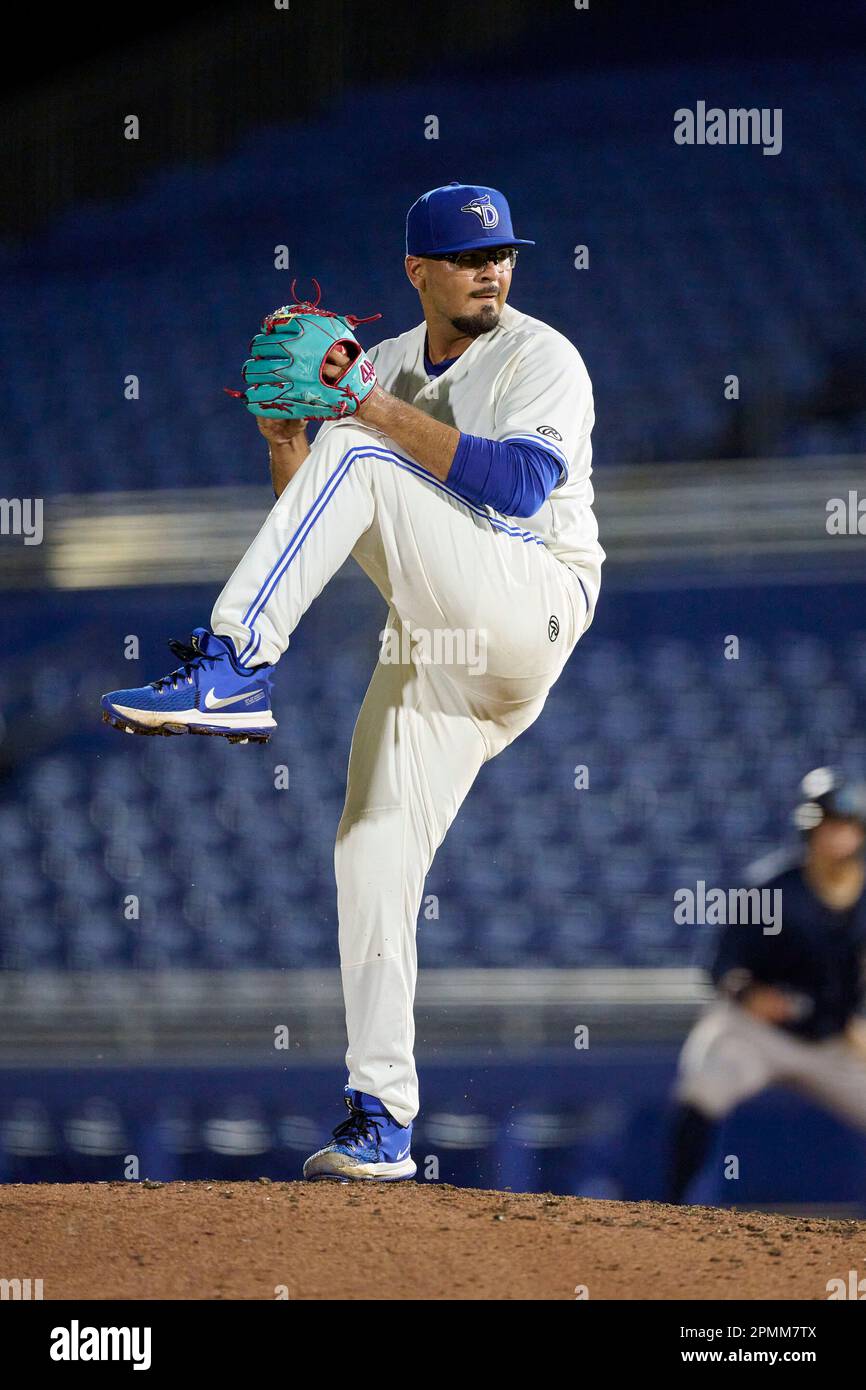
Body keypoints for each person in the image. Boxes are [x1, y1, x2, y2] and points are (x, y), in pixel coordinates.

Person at [101, 181, 604, 1181]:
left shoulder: (541, 356)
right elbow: (328, 517)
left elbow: (515, 488)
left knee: (363, 452)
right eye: (467, 258)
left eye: (501, 252)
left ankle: (232, 667)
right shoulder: (380, 365)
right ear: (417, 271)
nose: (491, 270)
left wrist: (361, 414)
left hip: (529, 603)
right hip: (432, 646)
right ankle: (383, 1120)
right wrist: (286, 442)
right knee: (368, 851)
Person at [668, 768, 866, 1203]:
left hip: (835, 1039)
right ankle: (672, 1213)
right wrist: (748, 994)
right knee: (704, 1087)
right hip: (757, 1033)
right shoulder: (772, 889)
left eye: (847, 828)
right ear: (810, 829)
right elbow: (720, 965)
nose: (839, 837)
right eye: (830, 826)